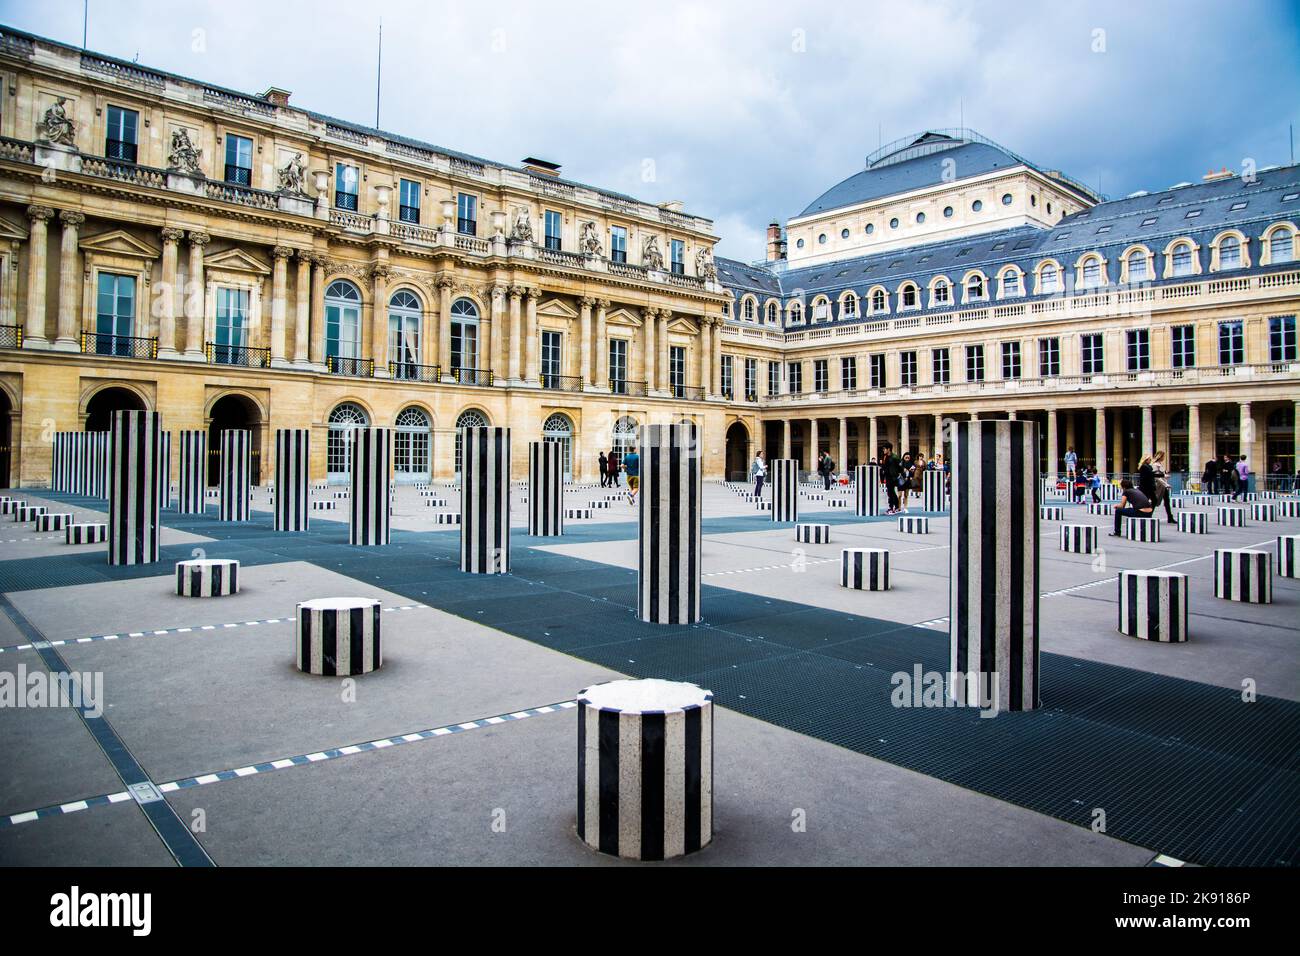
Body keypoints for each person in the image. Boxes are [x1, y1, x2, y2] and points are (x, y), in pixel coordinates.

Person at [1151, 451, 1175, 522]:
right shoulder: (1155, 465)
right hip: (1159, 486)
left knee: (1167, 501)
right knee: (1155, 501)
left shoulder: (1160, 464)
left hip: (1163, 486)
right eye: (1163, 456)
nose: (1164, 458)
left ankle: (1170, 517)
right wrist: (1166, 484)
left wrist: (1165, 475)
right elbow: (1157, 477)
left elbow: (1162, 475)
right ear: (1160, 456)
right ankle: (1148, 515)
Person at [880, 442, 902, 514]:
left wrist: (899, 474)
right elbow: (884, 467)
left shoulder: (895, 457)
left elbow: (900, 466)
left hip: (893, 477)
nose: (883, 450)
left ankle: (891, 508)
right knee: (891, 492)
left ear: (889, 449)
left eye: (884, 449)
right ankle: (896, 507)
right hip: (888, 477)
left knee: (890, 492)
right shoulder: (885, 457)